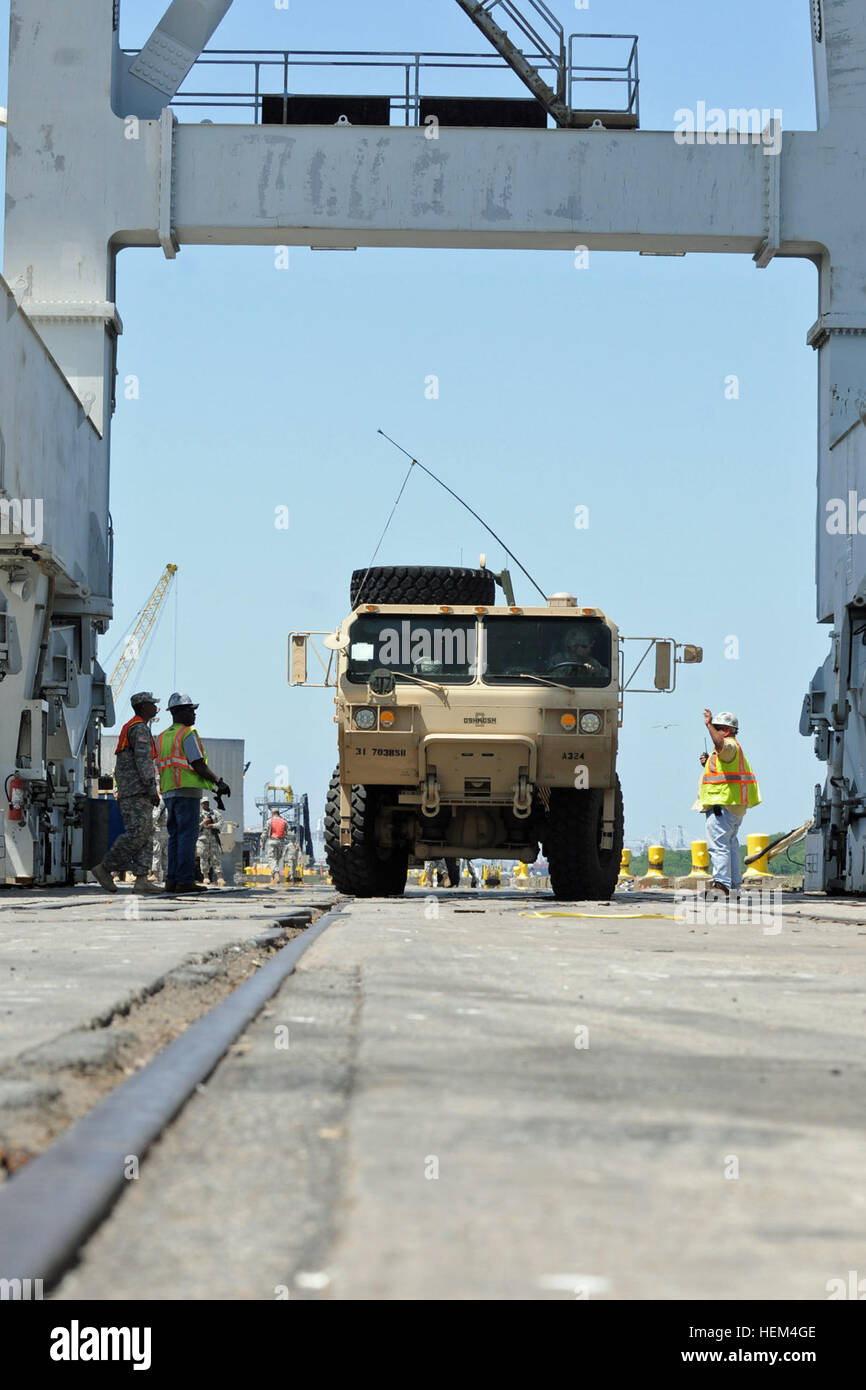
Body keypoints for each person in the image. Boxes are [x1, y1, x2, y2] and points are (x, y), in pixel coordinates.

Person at [155, 693, 231, 894]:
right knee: (187, 837)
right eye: (190, 710)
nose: (194, 714)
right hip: (186, 792)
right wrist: (218, 782)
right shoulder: (187, 734)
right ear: (178, 712)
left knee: (175, 836)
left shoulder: (161, 737)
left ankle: (171, 881)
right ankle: (185, 880)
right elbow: (197, 764)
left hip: (169, 791)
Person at [92, 692, 161, 895]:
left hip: (135, 790)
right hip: (135, 791)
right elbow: (143, 762)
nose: (155, 707)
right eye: (152, 704)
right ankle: (105, 868)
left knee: (145, 833)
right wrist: (151, 789)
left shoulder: (138, 727)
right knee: (137, 833)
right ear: (142, 707)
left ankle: (141, 879)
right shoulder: (138, 727)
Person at [697, 708, 760, 896]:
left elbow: (720, 744)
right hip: (733, 805)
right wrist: (707, 762)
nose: (714, 731)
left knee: (719, 846)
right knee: (730, 845)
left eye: (718, 728)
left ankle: (722, 886)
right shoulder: (728, 750)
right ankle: (733, 886)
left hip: (723, 806)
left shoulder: (730, 745)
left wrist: (708, 724)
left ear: (727, 730)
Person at [196, 797, 223, 886]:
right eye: (204, 803)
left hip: (213, 838)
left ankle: (219, 877)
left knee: (215, 858)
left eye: (207, 802)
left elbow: (221, 823)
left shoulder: (215, 813)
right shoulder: (199, 815)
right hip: (202, 840)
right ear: (201, 804)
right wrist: (203, 822)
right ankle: (205, 876)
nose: (205, 804)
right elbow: (195, 828)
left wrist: (213, 825)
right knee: (203, 858)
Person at [266, 809, 288, 882]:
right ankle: (273, 877)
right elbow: (289, 833)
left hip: (272, 841)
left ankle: (276, 874)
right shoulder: (284, 821)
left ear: (273, 813)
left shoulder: (270, 821)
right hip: (281, 842)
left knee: (271, 858)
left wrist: (262, 844)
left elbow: (264, 834)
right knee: (277, 860)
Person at [151, 797, 168, 882]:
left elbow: (155, 815)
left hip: (159, 830)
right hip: (168, 830)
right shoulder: (170, 800)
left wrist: (150, 822)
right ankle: (167, 876)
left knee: (156, 853)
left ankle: (155, 875)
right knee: (166, 854)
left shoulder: (160, 802)